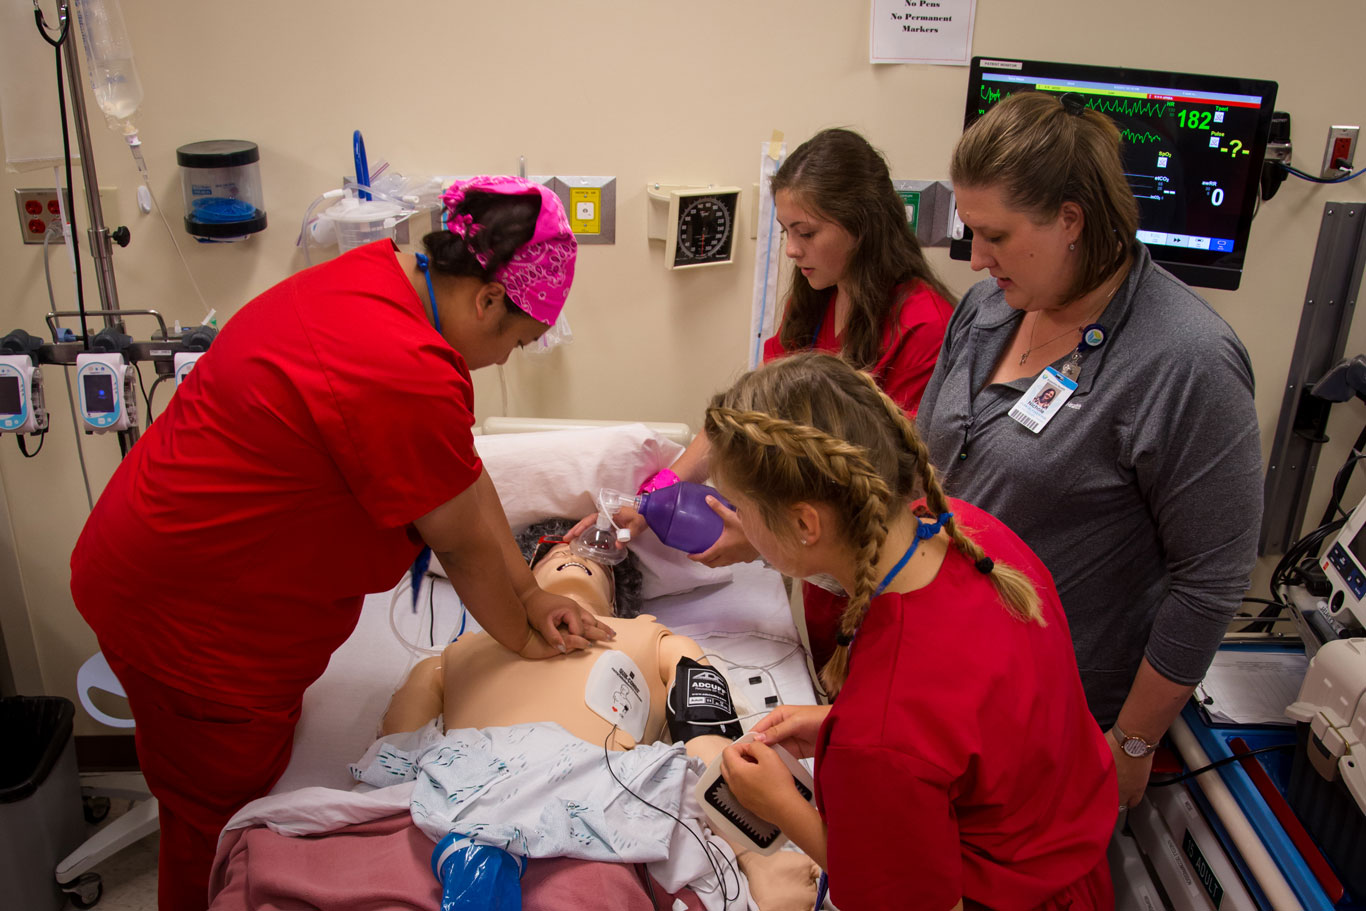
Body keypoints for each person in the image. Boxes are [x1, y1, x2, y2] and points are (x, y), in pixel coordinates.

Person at [68, 176, 612, 911]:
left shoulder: (374, 278)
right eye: (515, 340)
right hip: (189, 617)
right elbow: (463, 545)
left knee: (231, 781)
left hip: (172, 562)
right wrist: (521, 636)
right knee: (213, 822)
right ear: (486, 298)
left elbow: (462, 474)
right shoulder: (402, 368)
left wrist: (535, 591)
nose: (508, 360)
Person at [916, 91, 1263, 810]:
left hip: (1054, 720)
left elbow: (1211, 581)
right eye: (970, 232)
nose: (976, 258)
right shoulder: (990, 309)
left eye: (997, 236)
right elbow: (930, 469)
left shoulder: (1185, 361)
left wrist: (1132, 744)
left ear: (1070, 219)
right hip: (942, 678)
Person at [699, 352, 1115, 910]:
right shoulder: (968, 532)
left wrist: (784, 809)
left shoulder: (884, 728)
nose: (737, 524)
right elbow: (988, 716)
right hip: (1073, 867)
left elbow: (911, 901)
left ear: (804, 523)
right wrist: (841, 728)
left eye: (741, 508)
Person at [574, 129, 954, 667]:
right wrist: (651, 495)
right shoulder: (820, 297)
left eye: (806, 231)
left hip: (876, 578)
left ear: (863, 224)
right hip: (817, 571)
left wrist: (760, 542)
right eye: (785, 231)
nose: (792, 249)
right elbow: (741, 417)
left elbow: (886, 495)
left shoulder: (921, 325)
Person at [381, 519, 823, 911]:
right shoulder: (455, 655)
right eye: (553, 548)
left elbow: (706, 739)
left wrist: (752, 855)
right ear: (523, 571)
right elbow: (392, 764)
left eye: (599, 552)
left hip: (592, 809)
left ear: (617, 588)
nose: (573, 552)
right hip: (455, 806)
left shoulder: (652, 639)